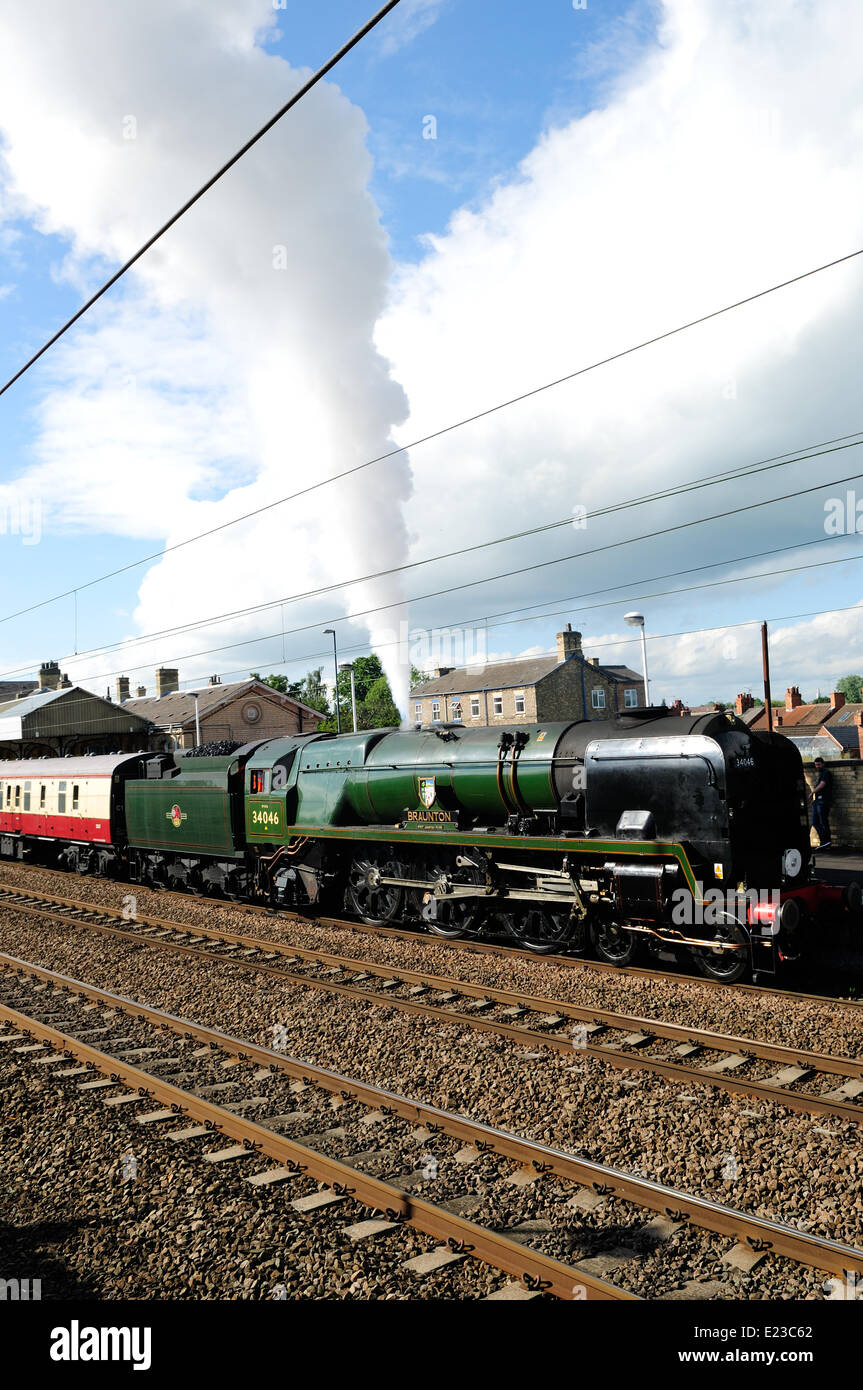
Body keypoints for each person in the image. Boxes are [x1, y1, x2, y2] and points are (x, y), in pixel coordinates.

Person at [810, 756, 833, 849]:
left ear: (823, 764)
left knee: (823, 821)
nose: (817, 766)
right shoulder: (820, 774)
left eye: (819, 764)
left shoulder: (826, 773)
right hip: (817, 801)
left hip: (823, 800)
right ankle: (824, 841)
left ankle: (827, 842)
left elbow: (822, 784)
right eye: (816, 765)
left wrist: (812, 792)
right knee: (815, 822)